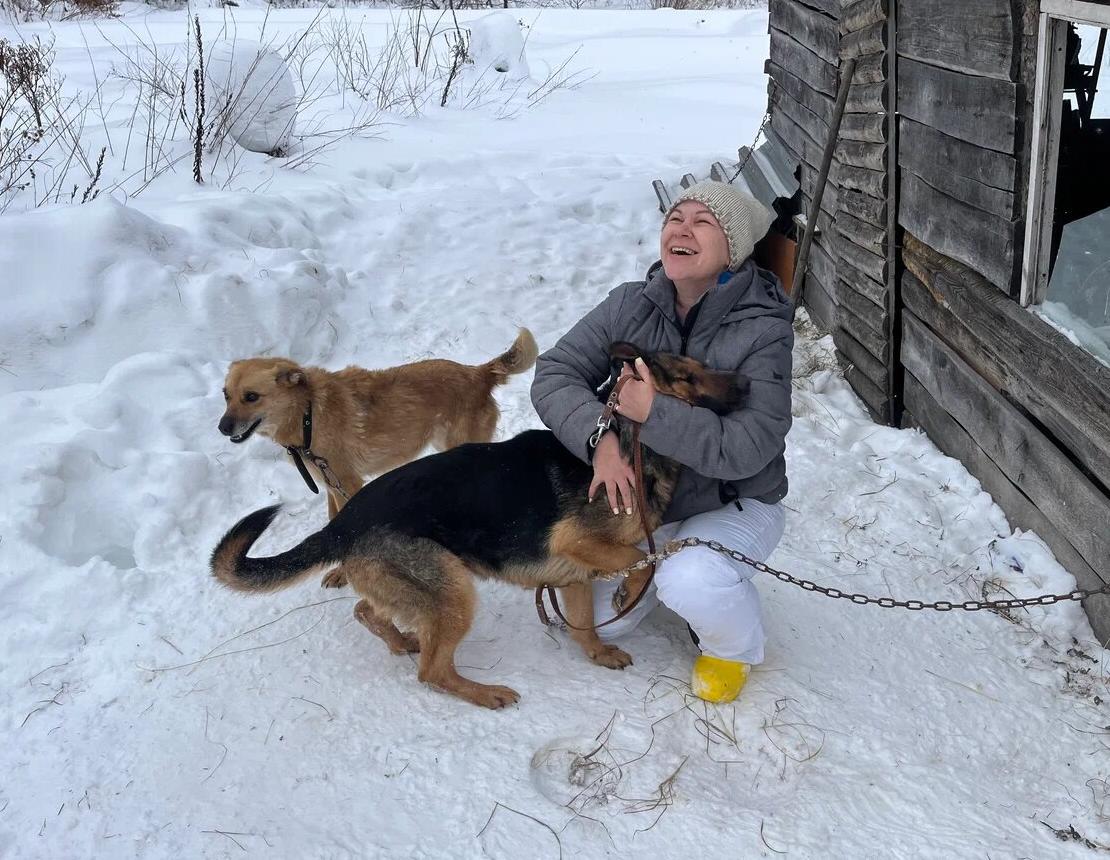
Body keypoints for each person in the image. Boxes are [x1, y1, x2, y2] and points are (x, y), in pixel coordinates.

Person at [530, 180, 793, 703]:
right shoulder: (631, 303)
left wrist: (653, 413)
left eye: (703, 221)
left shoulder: (764, 329)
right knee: (597, 624)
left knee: (691, 579)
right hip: (646, 503)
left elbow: (750, 444)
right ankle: (669, 576)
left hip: (732, 500)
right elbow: (555, 372)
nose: (682, 228)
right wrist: (600, 437)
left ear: (733, 250)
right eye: (676, 217)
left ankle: (733, 647)